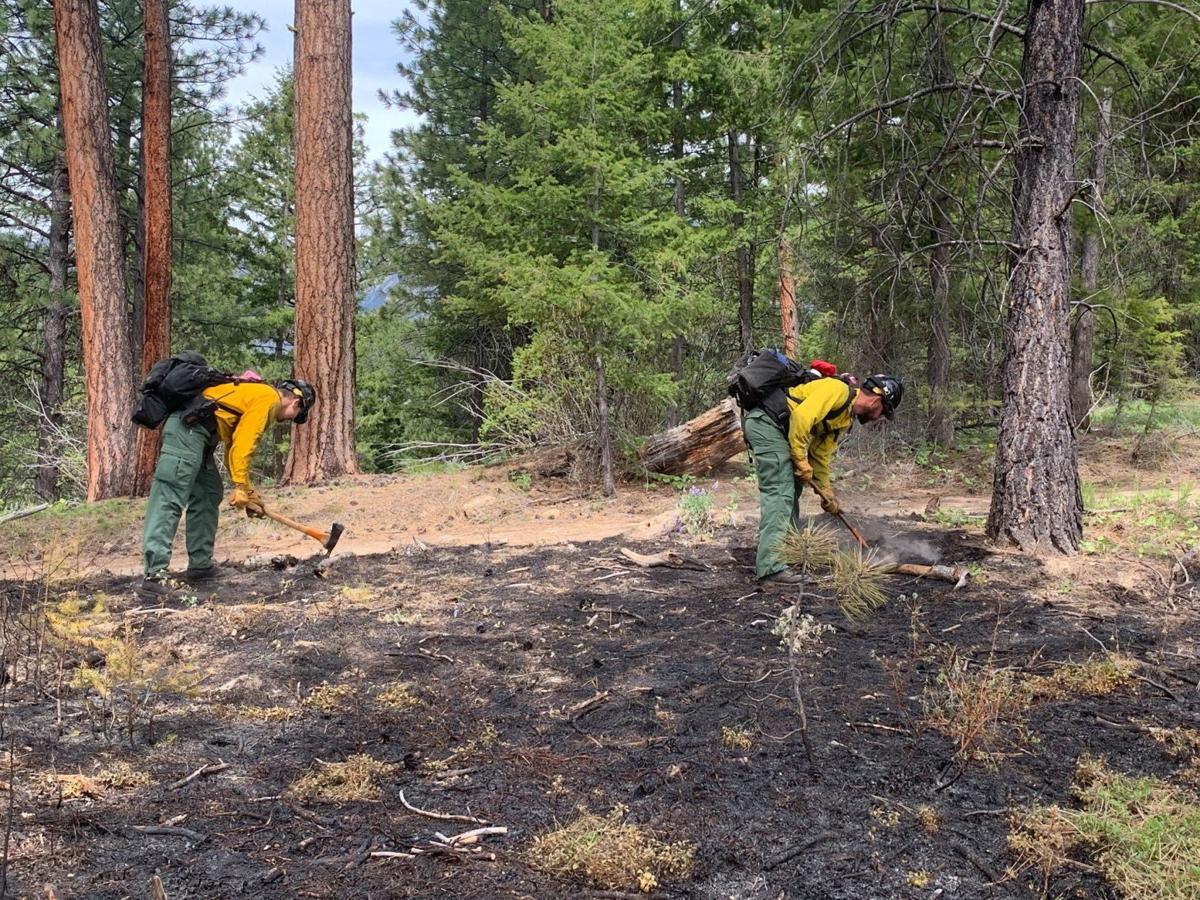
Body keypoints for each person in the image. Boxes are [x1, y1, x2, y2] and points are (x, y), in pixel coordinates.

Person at [139, 378, 317, 597]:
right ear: (296, 403)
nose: (288, 421)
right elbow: (243, 448)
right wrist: (242, 487)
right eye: (295, 417)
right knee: (169, 497)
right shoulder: (268, 399)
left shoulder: (258, 395)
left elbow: (234, 444)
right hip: (188, 430)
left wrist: (248, 493)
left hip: (201, 435)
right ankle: (155, 576)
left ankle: (201, 567)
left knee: (209, 491)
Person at [744, 373, 902, 584]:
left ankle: (786, 552)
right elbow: (801, 417)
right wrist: (799, 459)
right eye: (884, 411)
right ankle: (770, 567)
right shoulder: (836, 391)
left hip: (780, 432)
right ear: (877, 399)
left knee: (792, 491)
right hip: (767, 425)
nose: (878, 417)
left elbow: (819, 455)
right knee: (780, 494)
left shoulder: (844, 417)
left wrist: (826, 493)